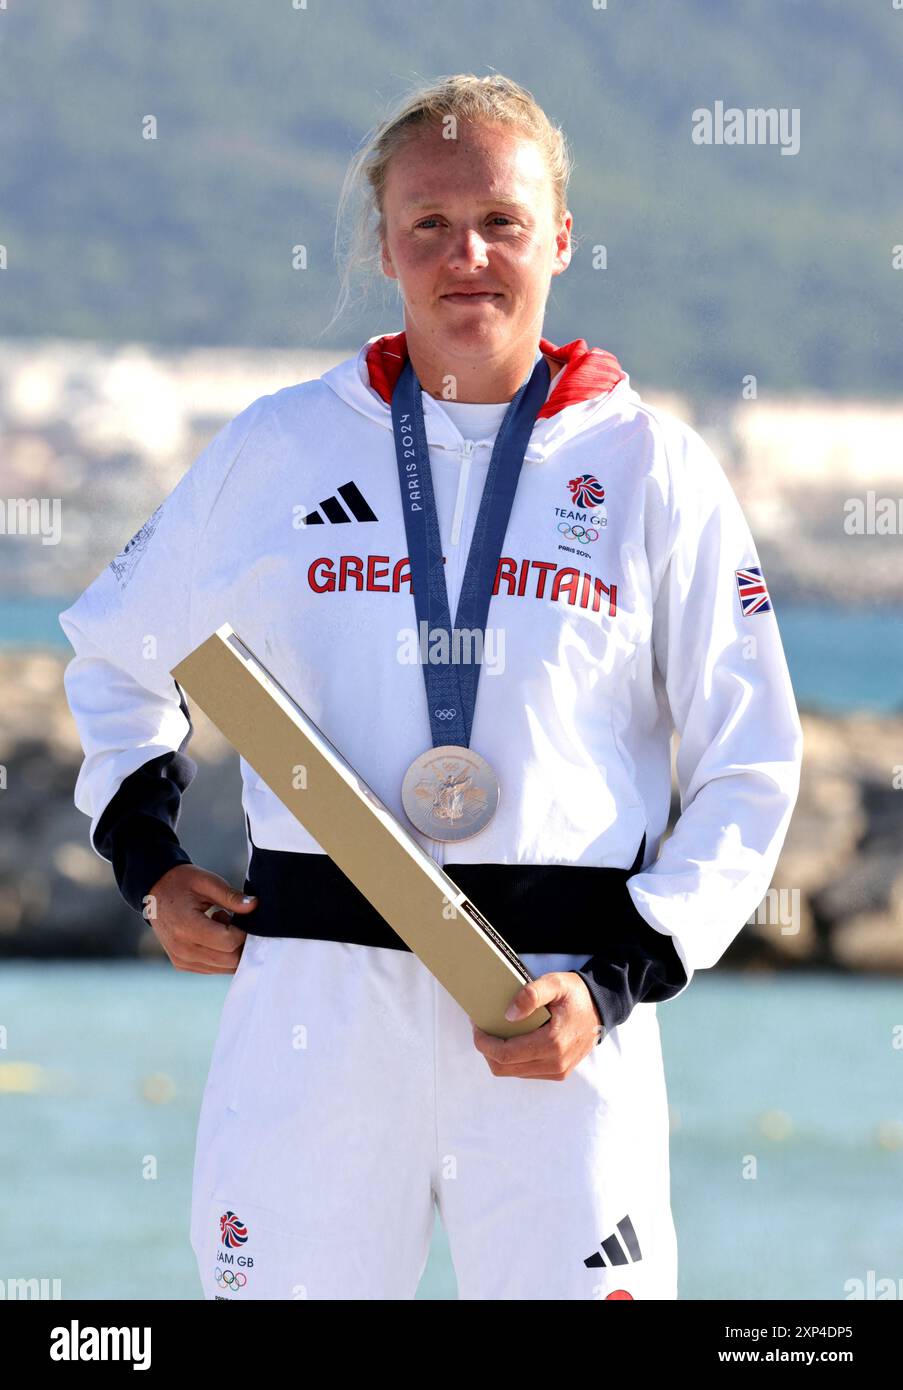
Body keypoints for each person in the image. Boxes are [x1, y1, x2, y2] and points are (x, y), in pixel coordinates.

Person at [59, 73, 803, 1301]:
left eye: (503, 222)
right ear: (385, 243)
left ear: (560, 238)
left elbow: (750, 761)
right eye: (430, 224)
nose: (469, 255)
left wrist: (619, 975)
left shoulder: (652, 467)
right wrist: (148, 858)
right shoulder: (282, 445)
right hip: (314, 997)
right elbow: (115, 652)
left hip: (554, 1011)